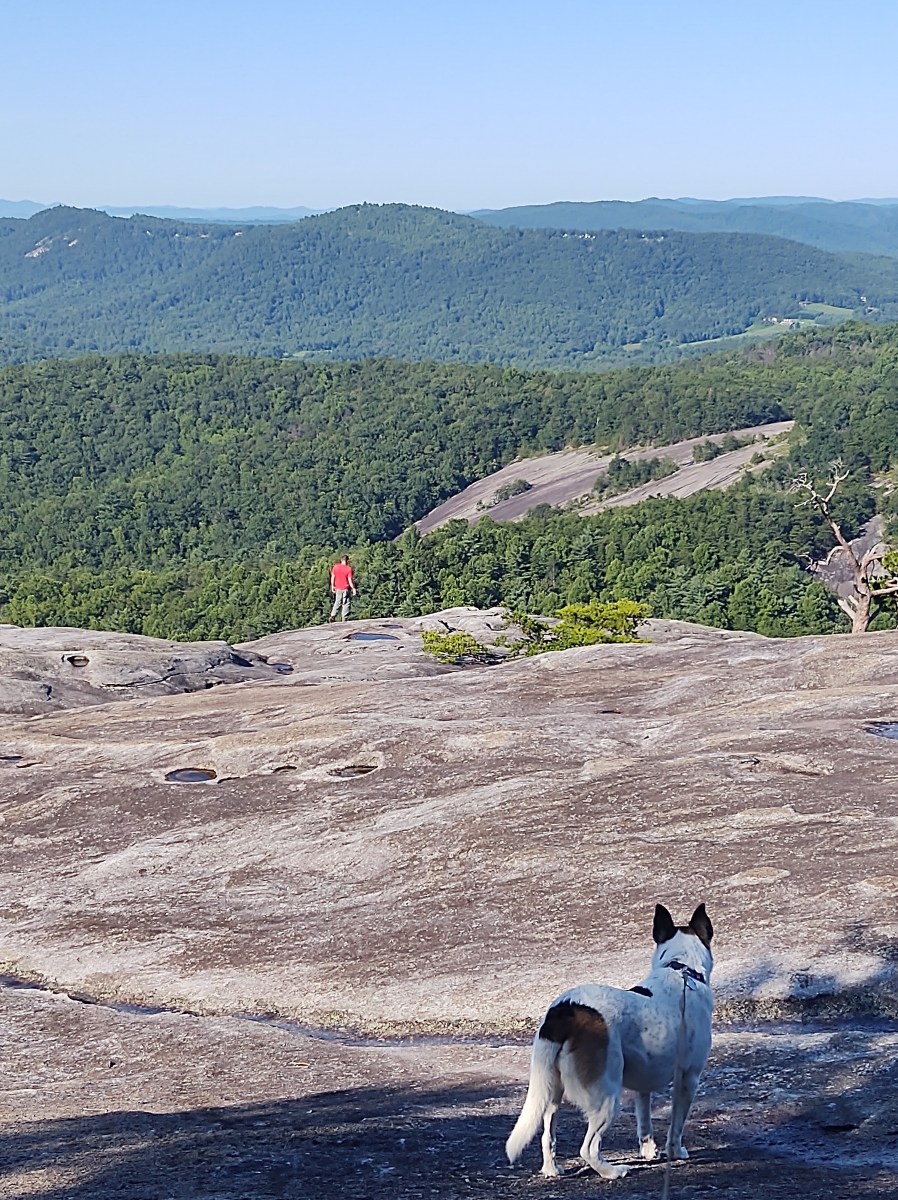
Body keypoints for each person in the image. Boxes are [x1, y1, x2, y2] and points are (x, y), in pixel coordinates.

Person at [328, 555, 357, 622]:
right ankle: (344, 619)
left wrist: (332, 586)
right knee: (346, 603)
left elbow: (333, 577)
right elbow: (349, 580)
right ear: (347, 560)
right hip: (345, 589)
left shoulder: (335, 567)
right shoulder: (348, 569)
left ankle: (333, 615)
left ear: (341, 560)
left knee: (337, 602)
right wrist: (353, 588)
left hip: (338, 588)